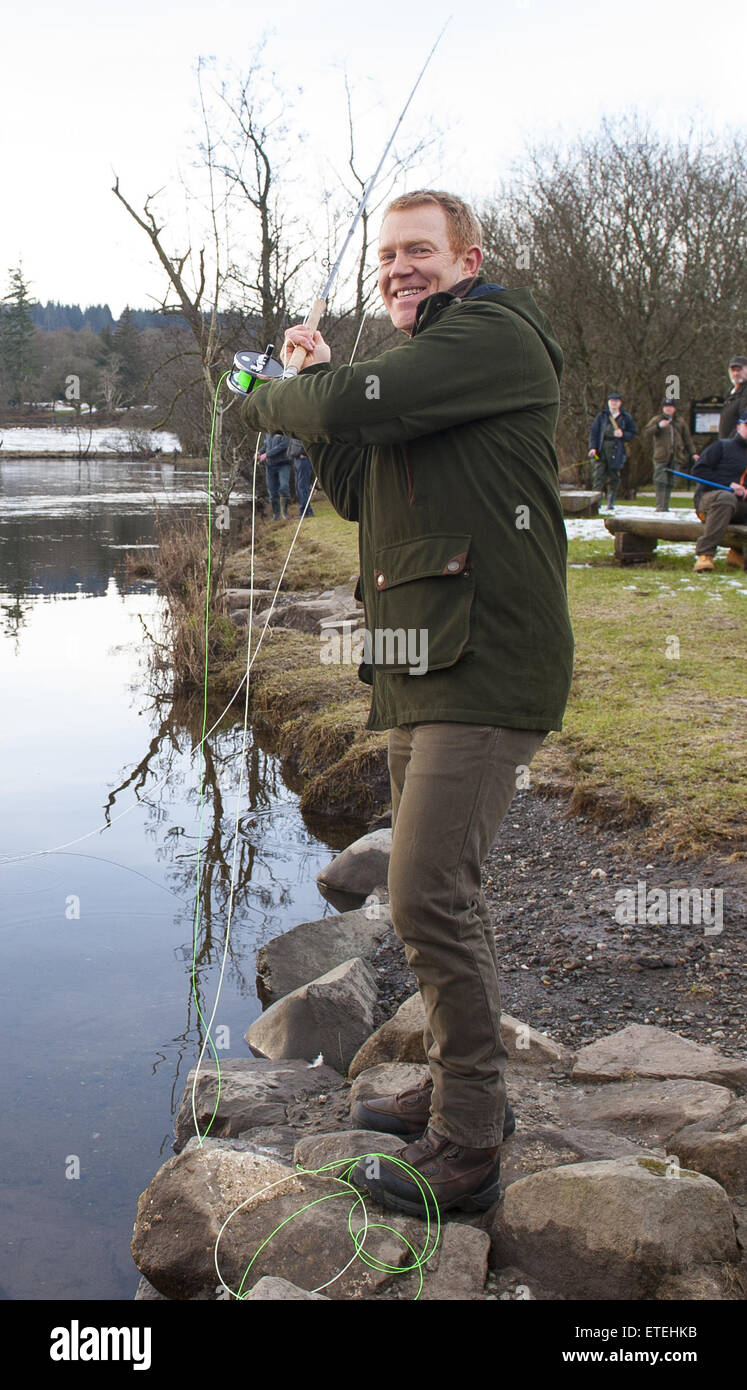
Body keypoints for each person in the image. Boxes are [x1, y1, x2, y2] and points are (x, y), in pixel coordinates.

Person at [240, 189, 574, 1218]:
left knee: (427, 891)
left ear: (469, 257)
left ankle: (470, 1139)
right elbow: (354, 476)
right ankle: (461, 1074)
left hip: (485, 664)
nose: (398, 267)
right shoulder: (420, 376)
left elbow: (350, 407)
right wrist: (316, 386)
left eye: (418, 250)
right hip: (419, 661)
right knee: (442, 893)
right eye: (387, 255)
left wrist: (273, 390)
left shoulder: (492, 334)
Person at [691, 414, 747, 572]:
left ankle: (737, 553)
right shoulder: (722, 446)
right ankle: (705, 556)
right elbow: (698, 471)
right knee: (726, 497)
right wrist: (728, 484)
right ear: (738, 427)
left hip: (739, 507)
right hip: (709, 501)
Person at [643, 400, 699, 511]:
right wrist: (658, 426)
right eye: (666, 406)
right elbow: (646, 432)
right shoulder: (657, 420)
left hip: (676, 456)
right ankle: (660, 506)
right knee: (660, 481)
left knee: (671, 481)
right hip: (661, 455)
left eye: (670, 407)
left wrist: (693, 453)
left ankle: (666, 506)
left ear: (674, 408)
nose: (668, 409)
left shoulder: (680, 422)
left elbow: (687, 439)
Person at [588, 392, 637, 510]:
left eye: (616, 401)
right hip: (601, 450)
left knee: (613, 478)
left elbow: (633, 433)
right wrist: (593, 447)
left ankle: (610, 503)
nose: (614, 403)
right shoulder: (601, 416)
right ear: (608, 403)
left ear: (620, 403)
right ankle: (596, 504)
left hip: (617, 451)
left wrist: (623, 434)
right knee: (598, 477)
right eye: (612, 401)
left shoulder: (626, 417)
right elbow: (594, 433)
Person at [262, 432, 293, 520]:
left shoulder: (284, 431)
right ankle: (276, 514)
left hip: (283, 464)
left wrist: (267, 454)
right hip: (270, 466)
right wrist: (259, 453)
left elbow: (283, 445)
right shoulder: (267, 433)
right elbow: (265, 446)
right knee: (272, 491)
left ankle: (285, 513)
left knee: (284, 487)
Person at [718, 356, 747, 440]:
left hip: (738, 444)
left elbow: (744, 420)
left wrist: (732, 442)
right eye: (733, 370)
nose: (735, 373)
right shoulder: (730, 391)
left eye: (739, 370)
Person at [287, 437, 314, 517]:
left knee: (302, 487)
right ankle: (303, 511)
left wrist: (304, 453)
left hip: (303, 460)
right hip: (296, 459)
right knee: (298, 487)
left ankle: (307, 512)